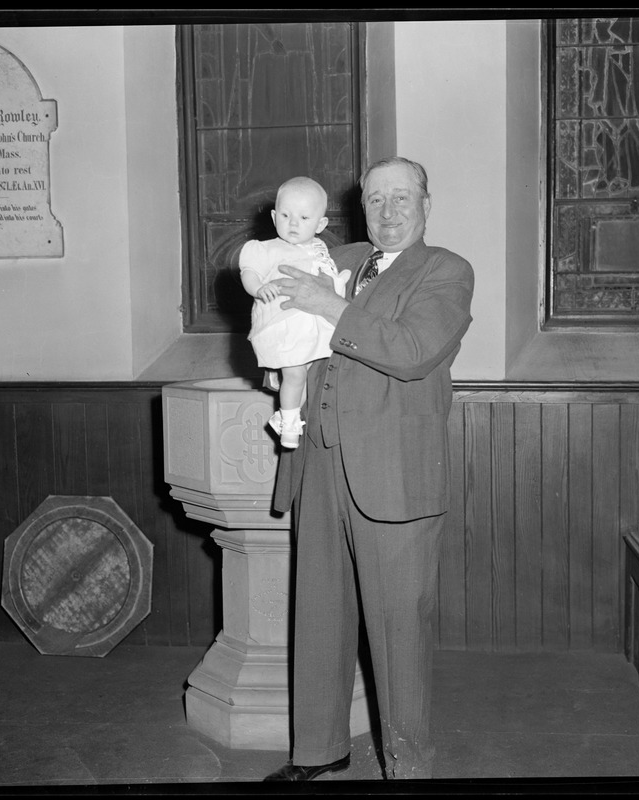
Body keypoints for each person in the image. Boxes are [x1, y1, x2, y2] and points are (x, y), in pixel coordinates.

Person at [262, 157, 474, 781]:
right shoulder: (341, 258)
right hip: (322, 462)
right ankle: (318, 751)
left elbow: (411, 352)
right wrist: (278, 356)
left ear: (425, 204)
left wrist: (326, 305)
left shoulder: (446, 271)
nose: (387, 211)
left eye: (401, 197)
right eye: (376, 199)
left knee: (398, 628)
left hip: (395, 474)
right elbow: (290, 318)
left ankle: (407, 768)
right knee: (319, 614)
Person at [239, 176, 351, 448]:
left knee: (304, 375)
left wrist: (337, 283)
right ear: (275, 216)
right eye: (286, 215)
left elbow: (327, 280)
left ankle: (284, 415)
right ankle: (289, 425)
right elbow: (249, 272)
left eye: (303, 217)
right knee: (296, 374)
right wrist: (257, 289)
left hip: (312, 326)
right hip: (283, 322)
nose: (293, 223)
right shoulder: (266, 248)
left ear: (320, 224)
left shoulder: (320, 249)